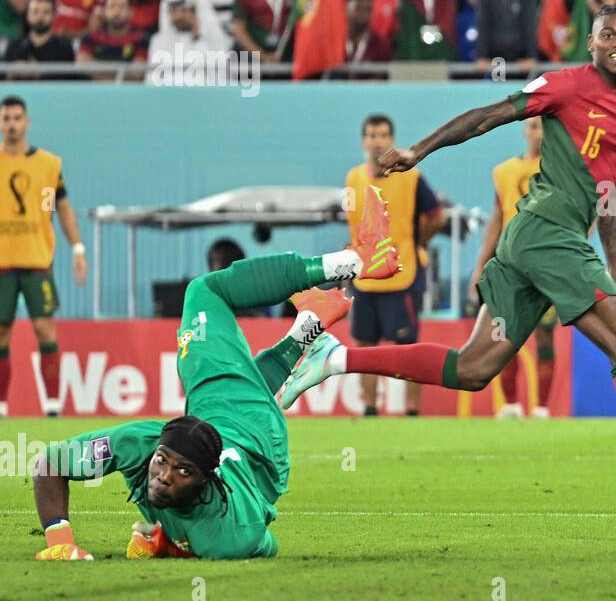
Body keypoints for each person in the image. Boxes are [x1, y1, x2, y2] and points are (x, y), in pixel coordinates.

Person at [278, 4, 616, 509]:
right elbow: (486, 117)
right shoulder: (565, 85)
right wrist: (418, 150)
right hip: (545, 233)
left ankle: (333, 358)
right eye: (609, 35)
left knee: (473, 368)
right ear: (592, 43)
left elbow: (613, 194)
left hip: (541, 243)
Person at [29, 189, 400, 560]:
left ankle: (311, 325)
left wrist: (170, 545)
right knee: (207, 296)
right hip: (244, 431)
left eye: (182, 471)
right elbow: (51, 462)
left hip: (238, 431)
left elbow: (264, 545)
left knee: (209, 300)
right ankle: (338, 282)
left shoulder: (227, 530)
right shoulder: (143, 446)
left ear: (207, 481)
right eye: (162, 460)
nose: (164, 475)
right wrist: (60, 542)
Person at [345, 115, 441, 416]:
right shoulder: (352, 179)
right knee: (364, 345)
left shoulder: (412, 178)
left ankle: (412, 410)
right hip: (364, 275)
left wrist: (416, 243)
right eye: (372, 135)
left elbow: (437, 216)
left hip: (402, 274)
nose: (378, 141)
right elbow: (352, 224)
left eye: (383, 135)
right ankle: (369, 408)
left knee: (407, 345)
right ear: (364, 141)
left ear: (392, 140)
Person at [0, 95, 87, 416]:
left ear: (26, 122)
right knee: (1, 333)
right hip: (2, 262)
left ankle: (52, 406)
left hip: (37, 261)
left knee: (44, 329)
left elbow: (58, 208)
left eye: (16, 118)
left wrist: (78, 248)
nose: (12, 124)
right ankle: (1, 406)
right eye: (6, 118)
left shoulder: (48, 165)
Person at [469, 117, 556, 418]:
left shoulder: (561, 169)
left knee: (545, 334)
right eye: (533, 126)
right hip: (509, 265)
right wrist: (481, 263)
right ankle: (511, 405)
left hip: (547, 265)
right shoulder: (504, 171)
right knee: (504, 333)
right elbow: (497, 218)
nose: (538, 132)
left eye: (544, 126)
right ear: (525, 130)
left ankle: (542, 408)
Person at [3, 0, 76, 66]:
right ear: (27, 15)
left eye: (46, 12)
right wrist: (14, 71)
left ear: (54, 15)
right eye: (35, 11)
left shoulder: (64, 47)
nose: (40, 17)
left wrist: (39, 72)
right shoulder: (15, 46)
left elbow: (69, 73)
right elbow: (3, 71)